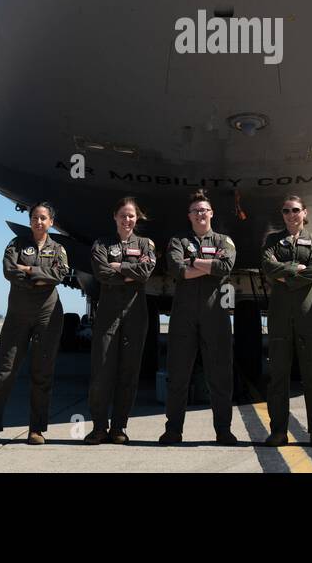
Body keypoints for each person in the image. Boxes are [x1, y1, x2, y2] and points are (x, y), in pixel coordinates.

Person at [0, 203, 69, 445]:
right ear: (30, 220)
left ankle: (36, 430)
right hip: (17, 315)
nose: (38, 222)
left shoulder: (58, 248)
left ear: (51, 222)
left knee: (42, 373)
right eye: (34, 217)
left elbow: (60, 274)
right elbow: (9, 271)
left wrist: (29, 271)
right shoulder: (16, 244)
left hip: (48, 315)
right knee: (4, 373)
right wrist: (38, 277)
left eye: (43, 218)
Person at [159, 189, 238, 446]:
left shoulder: (224, 241)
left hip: (215, 312)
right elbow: (178, 271)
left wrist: (193, 261)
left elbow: (225, 268)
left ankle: (223, 431)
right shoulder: (177, 240)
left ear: (211, 213)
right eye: (195, 211)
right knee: (178, 374)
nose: (200, 214)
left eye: (204, 210)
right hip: (183, 314)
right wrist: (208, 265)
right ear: (189, 215)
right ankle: (173, 430)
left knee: (220, 375)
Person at [85, 197, 157, 445]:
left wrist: (118, 267)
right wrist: (129, 272)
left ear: (137, 218)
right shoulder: (101, 244)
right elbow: (101, 273)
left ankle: (119, 427)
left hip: (136, 313)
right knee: (101, 372)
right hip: (107, 314)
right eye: (123, 215)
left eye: (131, 216)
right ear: (114, 217)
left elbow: (145, 272)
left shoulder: (146, 244)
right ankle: (98, 427)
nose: (127, 220)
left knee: (129, 372)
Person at [260, 194, 312, 447]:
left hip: (307, 315)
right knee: (278, 376)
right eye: (286, 210)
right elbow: (267, 267)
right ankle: (278, 431)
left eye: (295, 210)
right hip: (279, 317)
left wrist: (285, 274)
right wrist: (296, 270)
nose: (291, 215)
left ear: (304, 212)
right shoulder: (272, 240)